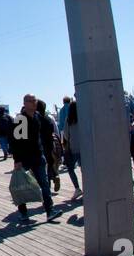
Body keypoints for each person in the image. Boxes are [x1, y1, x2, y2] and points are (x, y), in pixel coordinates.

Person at [9, 94, 55, 222]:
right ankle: (23, 212)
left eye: (35, 100)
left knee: (44, 184)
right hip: (24, 158)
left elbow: (47, 129)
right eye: (31, 101)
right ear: (25, 103)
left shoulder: (38, 117)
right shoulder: (21, 120)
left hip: (38, 156)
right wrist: (17, 160)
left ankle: (50, 211)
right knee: (21, 184)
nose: (34, 103)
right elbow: (15, 142)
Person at [36, 100, 61, 194]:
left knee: (41, 170)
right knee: (50, 164)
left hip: (40, 147)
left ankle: (47, 190)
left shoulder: (36, 119)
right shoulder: (49, 119)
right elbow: (55, 132)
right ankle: (55, 175)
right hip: (50, 145)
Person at [61, 99, 82, 197]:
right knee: (84, 169)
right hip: (84, 148)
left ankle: (77, 188)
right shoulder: (83, 118)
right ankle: (88, 186)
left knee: (70, 168)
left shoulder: (69, 119)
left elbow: (65, 134)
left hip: (73, 148)